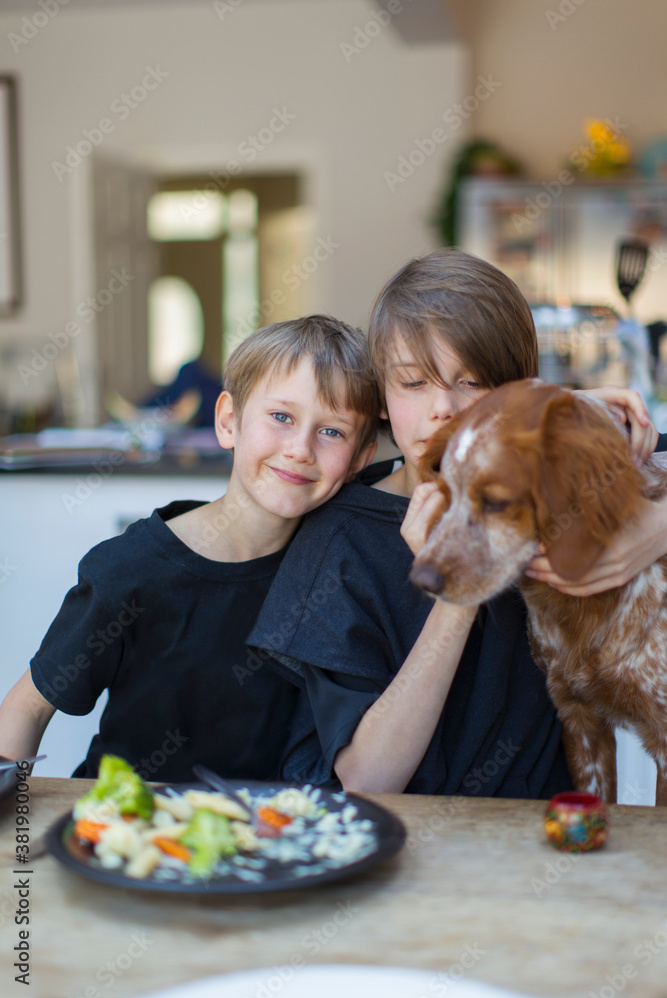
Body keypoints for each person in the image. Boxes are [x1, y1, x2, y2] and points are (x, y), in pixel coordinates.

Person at [247, 249, 662, 797]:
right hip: (403, 850)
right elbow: (365, 780)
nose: (444, 408)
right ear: (382, 400)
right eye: (413, 383)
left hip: (546, 846)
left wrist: (655, 524)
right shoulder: (342, 538)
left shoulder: (558, 479)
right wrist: (456, 579)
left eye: (474, 382)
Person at [0, 315, 379, 781]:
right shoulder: (130, 569)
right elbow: (25, 711)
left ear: (361, 458)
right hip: (126, 829)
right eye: (281, 416)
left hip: (267, 838)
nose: (301, 448)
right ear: (228, 421)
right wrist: (16, 846)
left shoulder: (341, 571)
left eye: (332, 431)